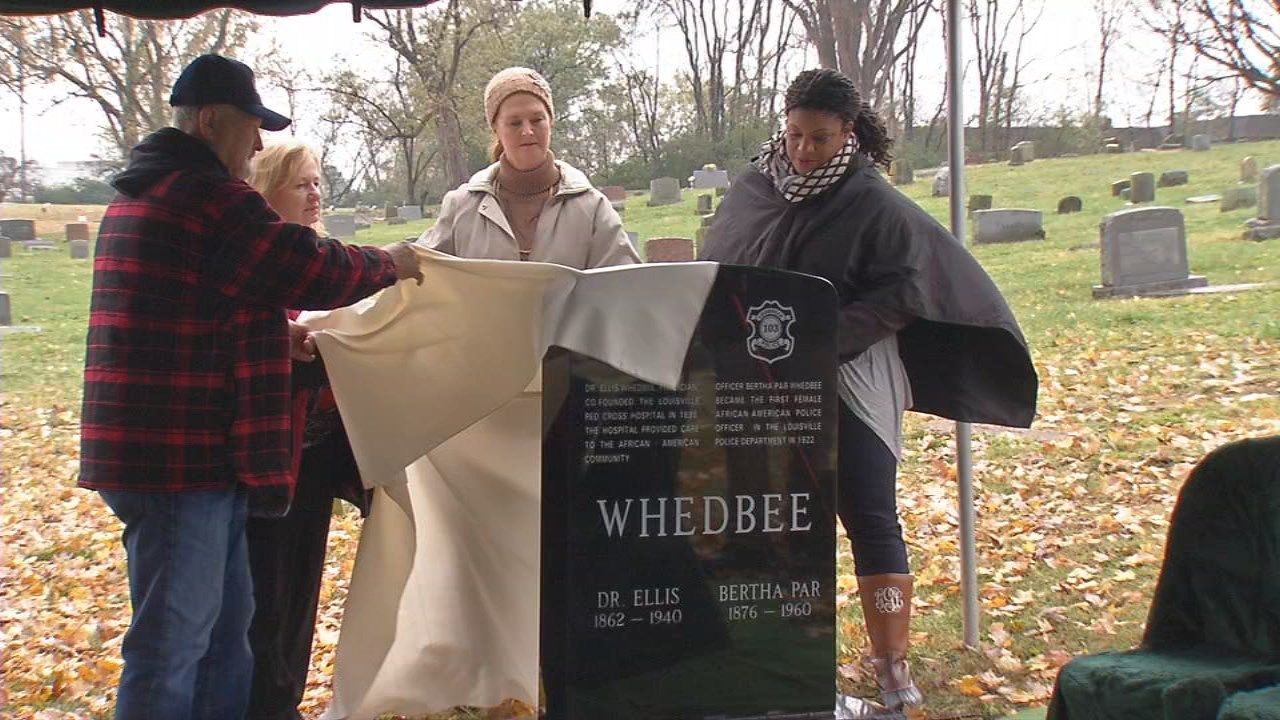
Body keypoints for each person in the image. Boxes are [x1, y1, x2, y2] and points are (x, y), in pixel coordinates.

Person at [78, 54, 422, 720]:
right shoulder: (205, 195)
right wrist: (393, 262)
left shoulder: (144, 191)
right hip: (181, 460)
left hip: (168, 454)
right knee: (174, 647)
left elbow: (191, 308)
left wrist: (274, 336)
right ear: (211, 121)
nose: (259, 143)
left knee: (224, 642)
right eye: (251, 126)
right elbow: (302, 263)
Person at [700, 68, 1037, 711]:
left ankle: (891, 663)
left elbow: (906, 288)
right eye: (795, 134)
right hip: (762, 377)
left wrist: (825, 334)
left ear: (848, 133)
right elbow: (722, 266)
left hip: (851, 372)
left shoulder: (872, 201)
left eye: (820, 138)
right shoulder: (755, 187)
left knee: (869, 509)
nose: (804, 150)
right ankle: (782, 654)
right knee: (770, 513)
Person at [243, 142, 368, 720]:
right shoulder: (259, 259)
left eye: (318, 182)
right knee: (272, 587)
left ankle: (285, 696)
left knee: (302, 583)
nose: (315, 194)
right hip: (274, 449)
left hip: (324, 444)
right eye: (301, 184)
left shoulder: (320, 256)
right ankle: (270, 703)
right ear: (266, 193)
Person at [417, 66, 639, 268]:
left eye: (537, 120)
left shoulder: (591, 208)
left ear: (551, 122)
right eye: (515, 123)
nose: (527, 131)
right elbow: (421, 272)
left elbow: (624, 284)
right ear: (496, 129)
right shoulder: (462, 207)